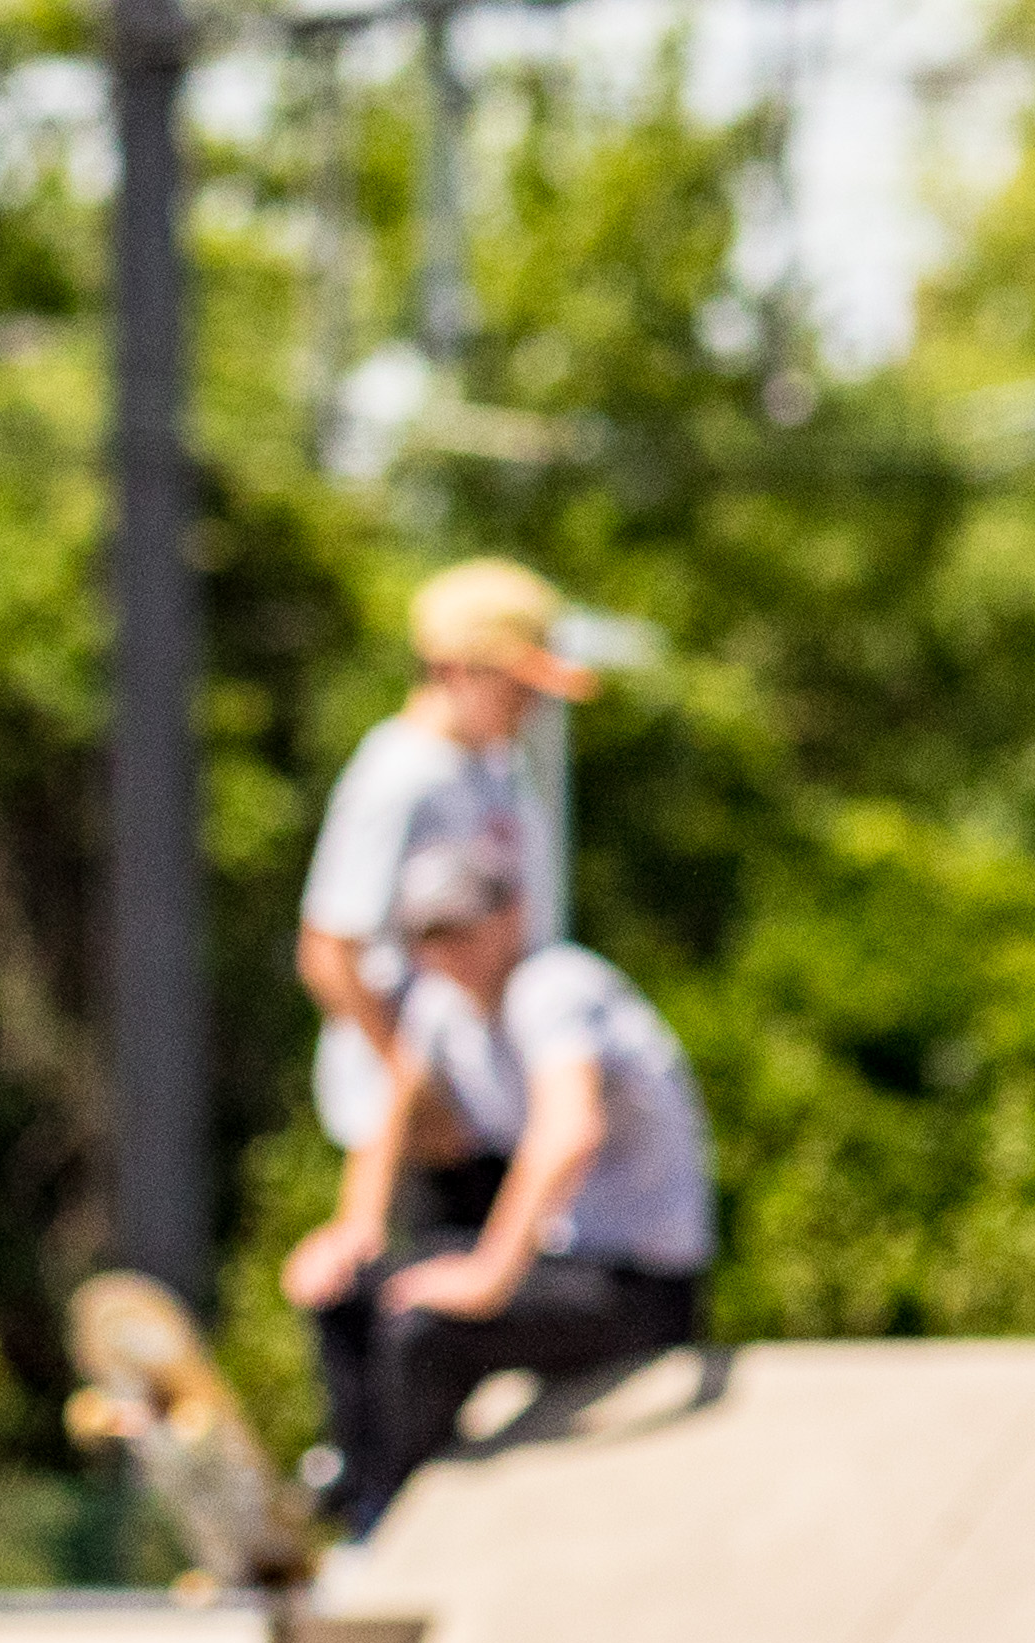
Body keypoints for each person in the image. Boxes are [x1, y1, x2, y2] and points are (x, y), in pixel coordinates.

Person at [283, 841, 714, 1525]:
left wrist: (489, 1273)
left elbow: (570, 1131)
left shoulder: (556, 987)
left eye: (458, 931)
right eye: (427, 937)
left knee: (425, 1329)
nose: (445, 953)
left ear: (511, 916)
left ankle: (390, 1516)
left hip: (642, 1286)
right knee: (349, 1293)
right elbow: (394, 1108)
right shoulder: (441, 1004)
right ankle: (348, 1479)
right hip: (565, 1265)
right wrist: (354, 1230)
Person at [289, 558, 601, 1434]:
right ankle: (360, 1484)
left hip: (486, 1090)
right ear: (458, 671)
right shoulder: (403, 775)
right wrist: (409, 1082)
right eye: (515, 686)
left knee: (482, 1314)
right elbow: (330, 950)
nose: (529, 708)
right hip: (424, 1108)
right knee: (404, 1309)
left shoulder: (496, 768)